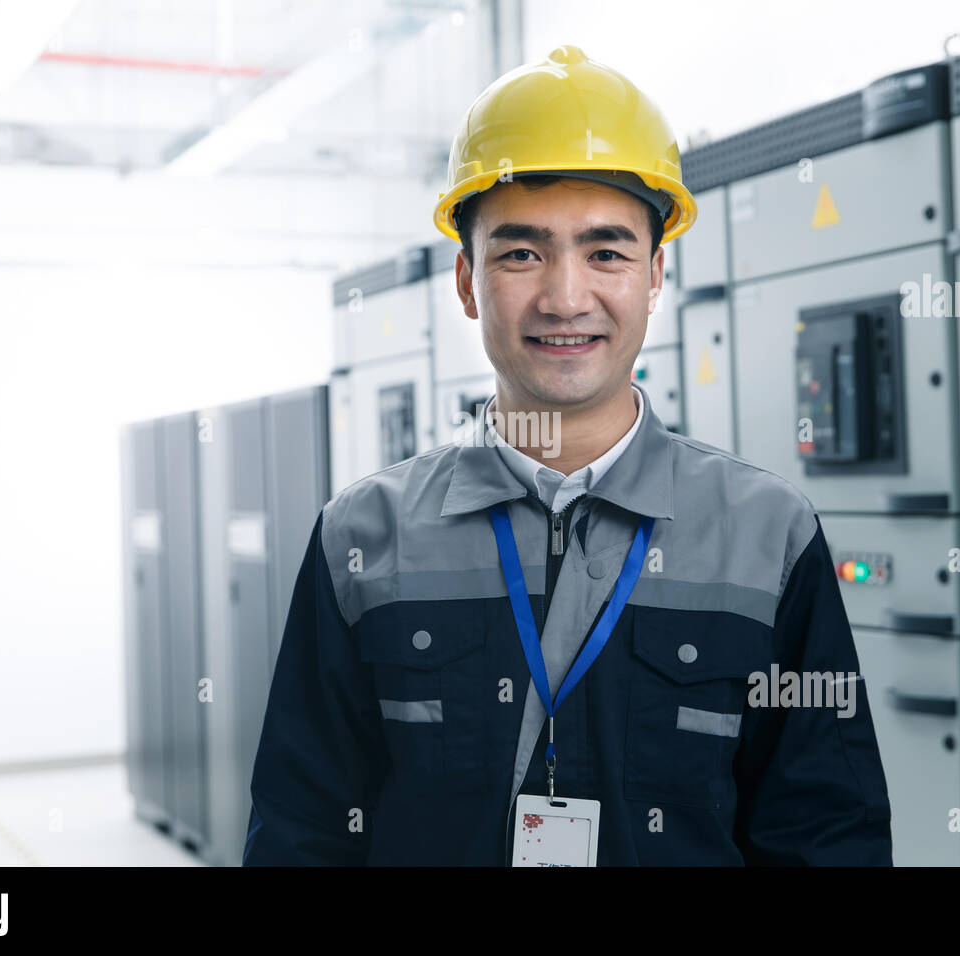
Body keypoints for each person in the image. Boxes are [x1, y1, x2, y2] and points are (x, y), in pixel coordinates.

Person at [243, 45, 892, 866]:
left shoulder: (768, 533)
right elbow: (302, 830)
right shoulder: (363, 536)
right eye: (521, 253)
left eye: (606, 252)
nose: (564, 297)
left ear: (654, 275)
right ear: (467, 281)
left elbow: (825, 836)